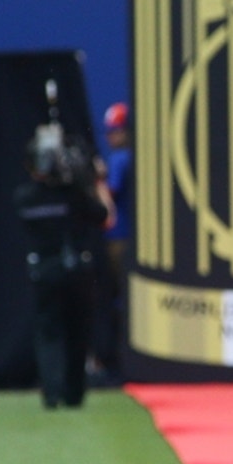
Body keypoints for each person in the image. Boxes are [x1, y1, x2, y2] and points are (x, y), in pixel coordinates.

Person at [13, 123, 111, 409]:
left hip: (44, 270)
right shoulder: (73, 195)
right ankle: (72, 394)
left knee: (49, 332)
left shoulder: (24, 198)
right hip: (75, 268)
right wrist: (96, 182)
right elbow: (103, 216)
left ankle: (53, 392)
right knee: (75, 331)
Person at [88, 101, 133, 387]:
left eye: (115, 131)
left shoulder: (120, 159)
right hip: (125, 238)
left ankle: (111, 360)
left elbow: (109, 196)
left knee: (112, 301)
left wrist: (98, 178)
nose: (111, 137)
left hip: (118, 239)